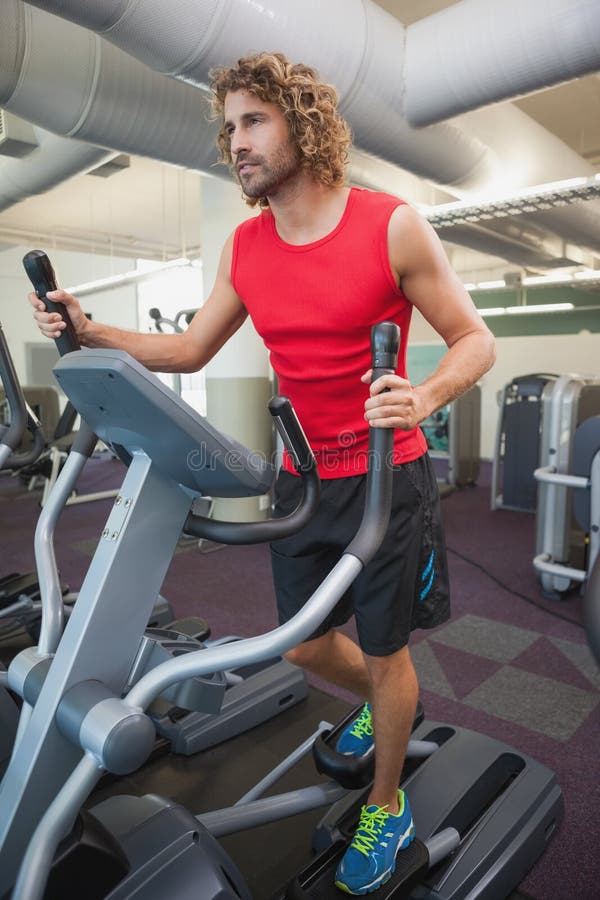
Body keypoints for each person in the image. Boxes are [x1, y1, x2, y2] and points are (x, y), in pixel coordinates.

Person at [30, 51, 495, 895]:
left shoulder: (391, 225)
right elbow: (189, 348)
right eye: (229, 127)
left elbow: (475, 338)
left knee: (386, 649)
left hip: (386, 477)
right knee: (306, 641)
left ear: (302, 125)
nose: (235, 141)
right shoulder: (246, 246)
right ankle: (386, 706)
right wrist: (88, 329)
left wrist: (424, 395)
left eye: (253, 121)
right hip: (302, 476)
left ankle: (387, 806)